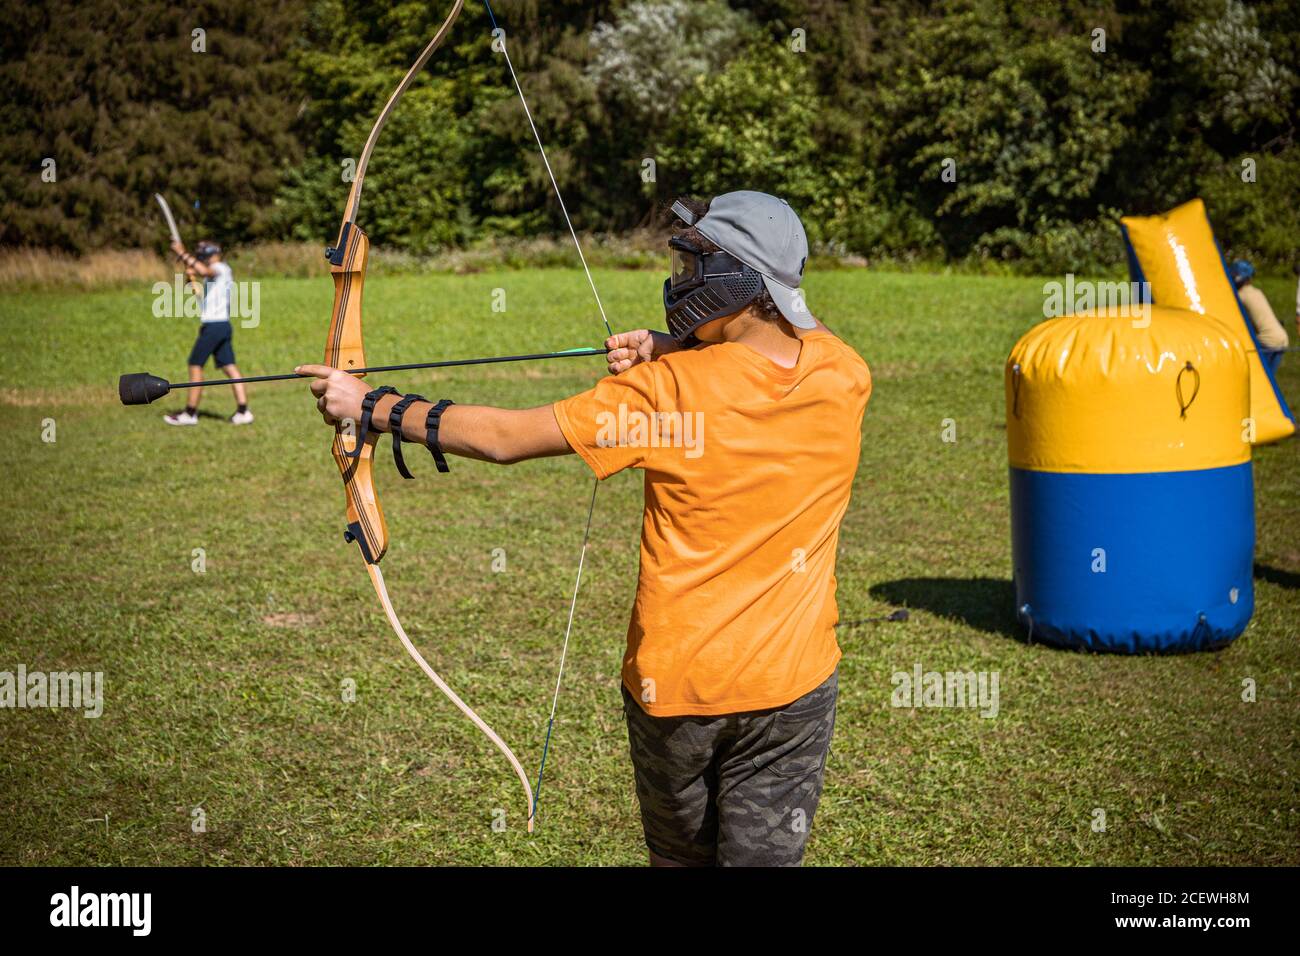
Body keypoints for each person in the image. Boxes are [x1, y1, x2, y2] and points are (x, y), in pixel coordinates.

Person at [300, 191, 871, 866]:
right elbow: (778, 350)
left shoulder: (666, 394)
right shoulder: (845, 373)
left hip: (679, 693)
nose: (679, 281)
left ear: (738, 281)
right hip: (796, 688)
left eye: (694, 266)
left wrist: (372, 405)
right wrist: (672, 346)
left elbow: (507, 438)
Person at [163, 239, 254, 425]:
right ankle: (243, 411)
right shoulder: (216, 275)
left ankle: (189, 413)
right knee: (229, 367)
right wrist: (191, 279)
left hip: (214, 326)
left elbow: (204, 270)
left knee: (195, 365)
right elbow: (200, 293)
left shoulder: (220, 267)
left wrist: (182, 253)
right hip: (221, 326)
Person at [1229, 259, 1289, 375]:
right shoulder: (1257, 292)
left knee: (1258, 376)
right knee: (1269, 379)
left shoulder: (1241, 297)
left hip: (1268, 341)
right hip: (1282, 338)